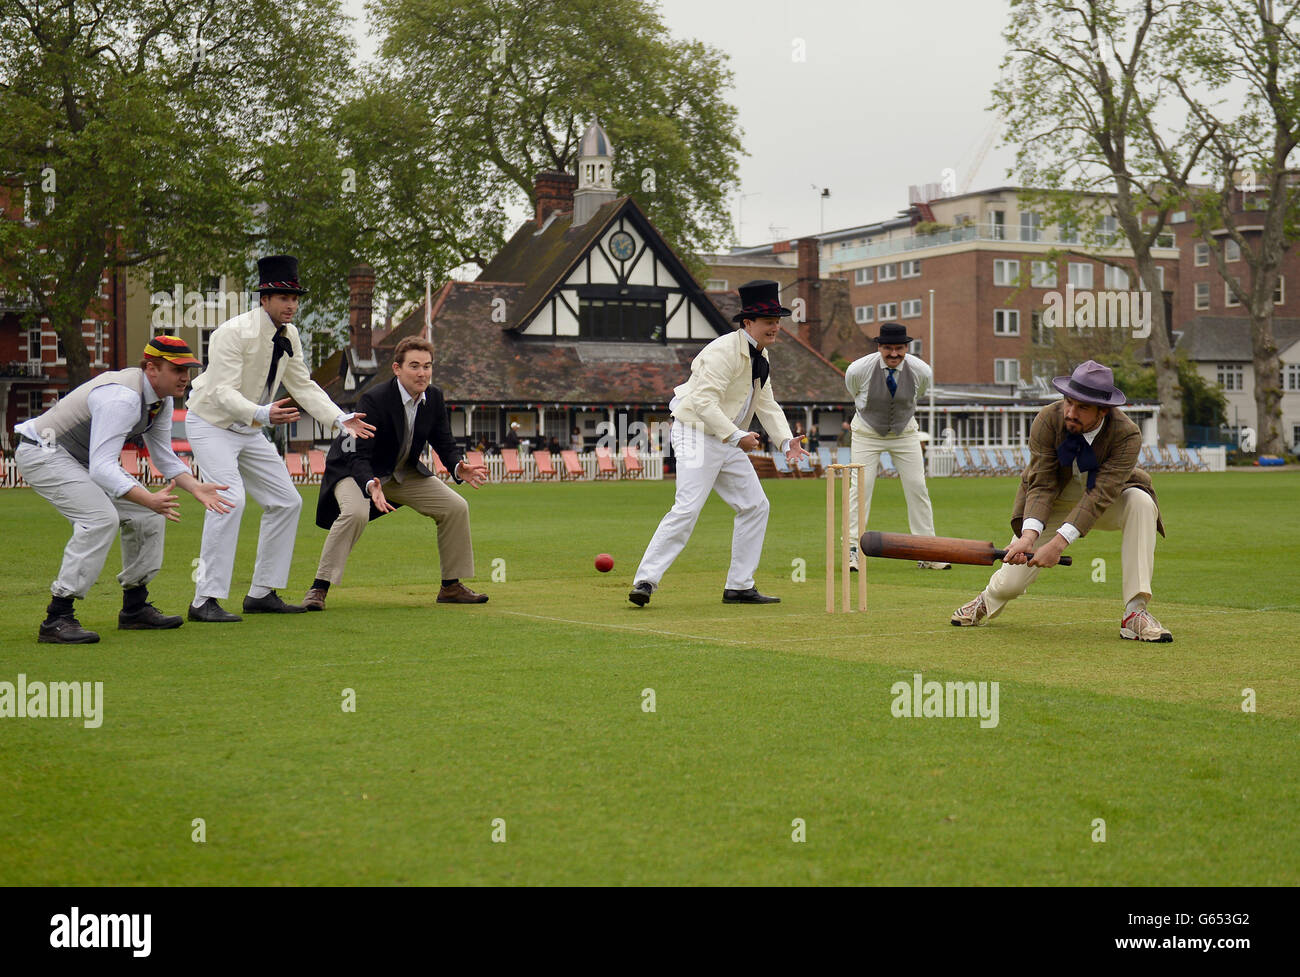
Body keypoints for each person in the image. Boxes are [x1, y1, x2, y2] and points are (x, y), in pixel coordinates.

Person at [184, 255, 375, 622]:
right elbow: (221, 391)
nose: (291, 305)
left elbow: (303, 385)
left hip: (251, 428)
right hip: (211, 423)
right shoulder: (231, 333)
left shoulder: (291, 335)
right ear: (264, 299)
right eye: (283, 297)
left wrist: (339, 417)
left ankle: (261, 592)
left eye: (295, 298)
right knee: (230, 501)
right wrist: (262, 413)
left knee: (286, 502)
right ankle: (203, 600)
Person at [15, 337, 233, 643]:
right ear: (151, 369)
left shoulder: (161, 400)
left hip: (76, 459)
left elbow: (162, 455)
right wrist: (149, 499)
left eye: (189, 369)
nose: (186, 376)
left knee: (148, 517)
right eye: (178, 369)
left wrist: (195, 487)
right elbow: (103, 467)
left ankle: (134, 609)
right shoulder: (123, 398)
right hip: (43, 452)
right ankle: (57, 616)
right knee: (101, 519)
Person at [950, 360, 1171, 642]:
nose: (1071, 412)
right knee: (1010, 585)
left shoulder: (1126, 434)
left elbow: (1100, 494)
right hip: (1055, 498)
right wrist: (1029, 537)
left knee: (1141, 502)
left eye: (1082, 407)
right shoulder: (1047, 419)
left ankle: (1135, 612)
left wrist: (1058, 544)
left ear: (1103, 410)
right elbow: (1042, 483)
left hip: (1106, 500)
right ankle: (988, 598)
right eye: (1068, 402)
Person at [628, 279, 809, 606]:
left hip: (727, 439)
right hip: (696, 433)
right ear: (748, 322)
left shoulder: (760, 357)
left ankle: (740, 585)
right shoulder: (721, 352)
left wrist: (785, 443)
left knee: (755, 506)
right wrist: (737, 435)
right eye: (769, 321)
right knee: (688, 507)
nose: (775, 327)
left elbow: (766, 404)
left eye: (778, 321)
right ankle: (645, 580)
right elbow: (702, 404)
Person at [302, 337, 491, 609]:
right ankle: (319, 588)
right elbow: (358, 454)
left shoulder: (434, 397)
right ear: (397, 369)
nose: (422, 373)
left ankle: (451, 587)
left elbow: (444, 442)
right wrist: (369, 485)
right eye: (414, 366)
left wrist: (459, 466)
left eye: (427, 366)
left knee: (456, 506)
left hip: (402, 473)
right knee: (355, 513)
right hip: (355, 471)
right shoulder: (374, 399)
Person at [843, 322, 949, 570]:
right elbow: (855, 393)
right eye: (888, 348)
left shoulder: (922, 371)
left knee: (917, 487)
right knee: (860, 488)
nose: (894, 354)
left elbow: (917, 396)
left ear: (906, 348)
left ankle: (927, 551)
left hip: (904, 432)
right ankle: (851, 551)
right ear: (879, 347)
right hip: (867, 431)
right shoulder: (858, 370)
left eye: (899, 348)